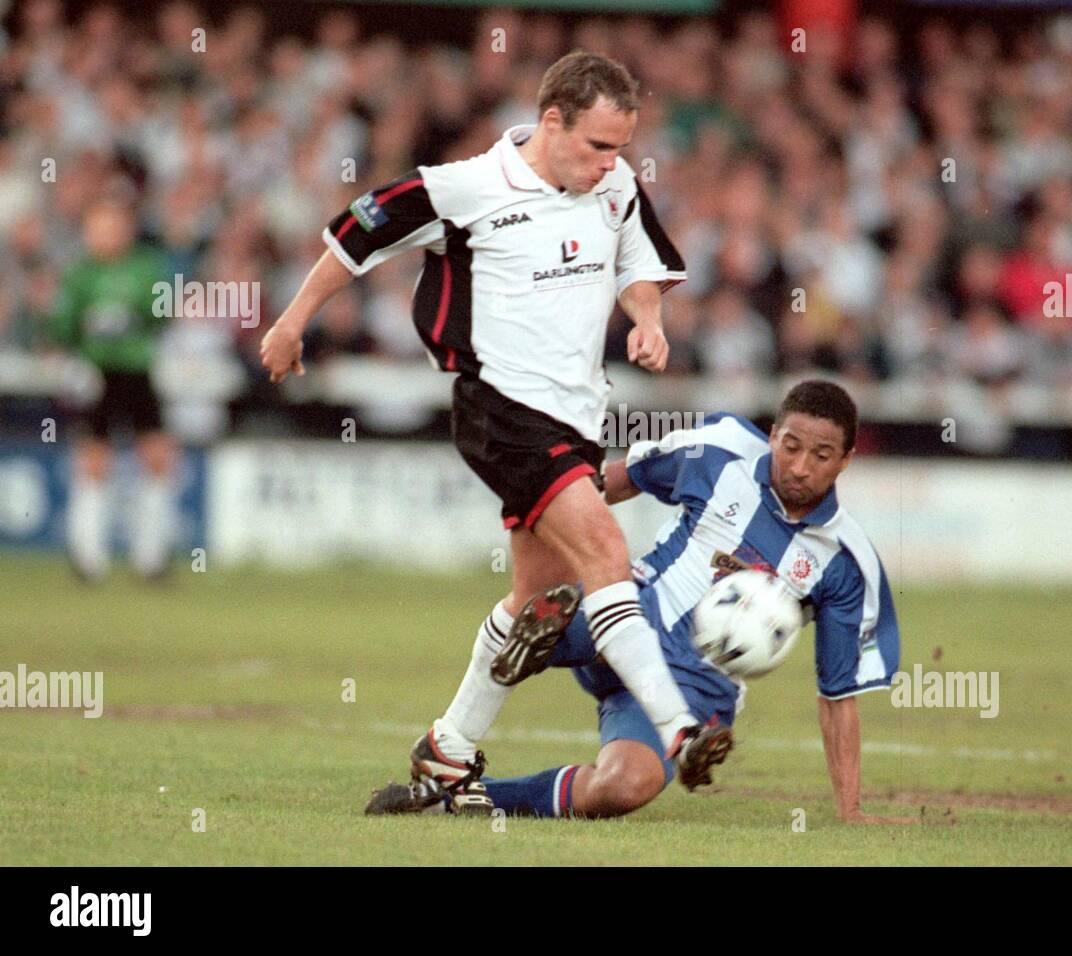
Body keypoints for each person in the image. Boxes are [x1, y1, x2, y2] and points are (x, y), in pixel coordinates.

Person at [259, 51, 719, 814]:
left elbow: (638, 265)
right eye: (598, 145)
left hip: (577, 418)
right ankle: (681, 729)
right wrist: (290, 323)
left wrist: (648, 318)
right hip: (500, 411)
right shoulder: (463, 188)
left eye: (622, 148)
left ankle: (448, 751)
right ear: (551, 121)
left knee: (540, 597)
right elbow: (355, 237)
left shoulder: (615, 189)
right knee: (608, 552)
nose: (612, 163)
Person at [367, 381, 902, 823]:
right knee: (539, 612)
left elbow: (836, 695)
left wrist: (850, 810)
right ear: (772, 435)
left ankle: (462, 802)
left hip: (698, 685)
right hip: (625, 612)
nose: (801, 466)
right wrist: (553, 525)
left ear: (847, 460)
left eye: (822, 455)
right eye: (790, 446)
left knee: (626, 786)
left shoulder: (845, 562)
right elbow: (620, 480)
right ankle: (451, 744)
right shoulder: (721, 451)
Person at [47, 199, 176, 582]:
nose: (106, 234)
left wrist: (133, 318)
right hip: (96, 374)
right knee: (93, 460)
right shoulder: (79, 274)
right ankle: (88, 557)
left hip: (136, 371)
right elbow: (62, 327)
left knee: (155, 457)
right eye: (99, 226)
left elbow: (162, 314)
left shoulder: (146, 267)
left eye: (113, 225)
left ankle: (151, 557)